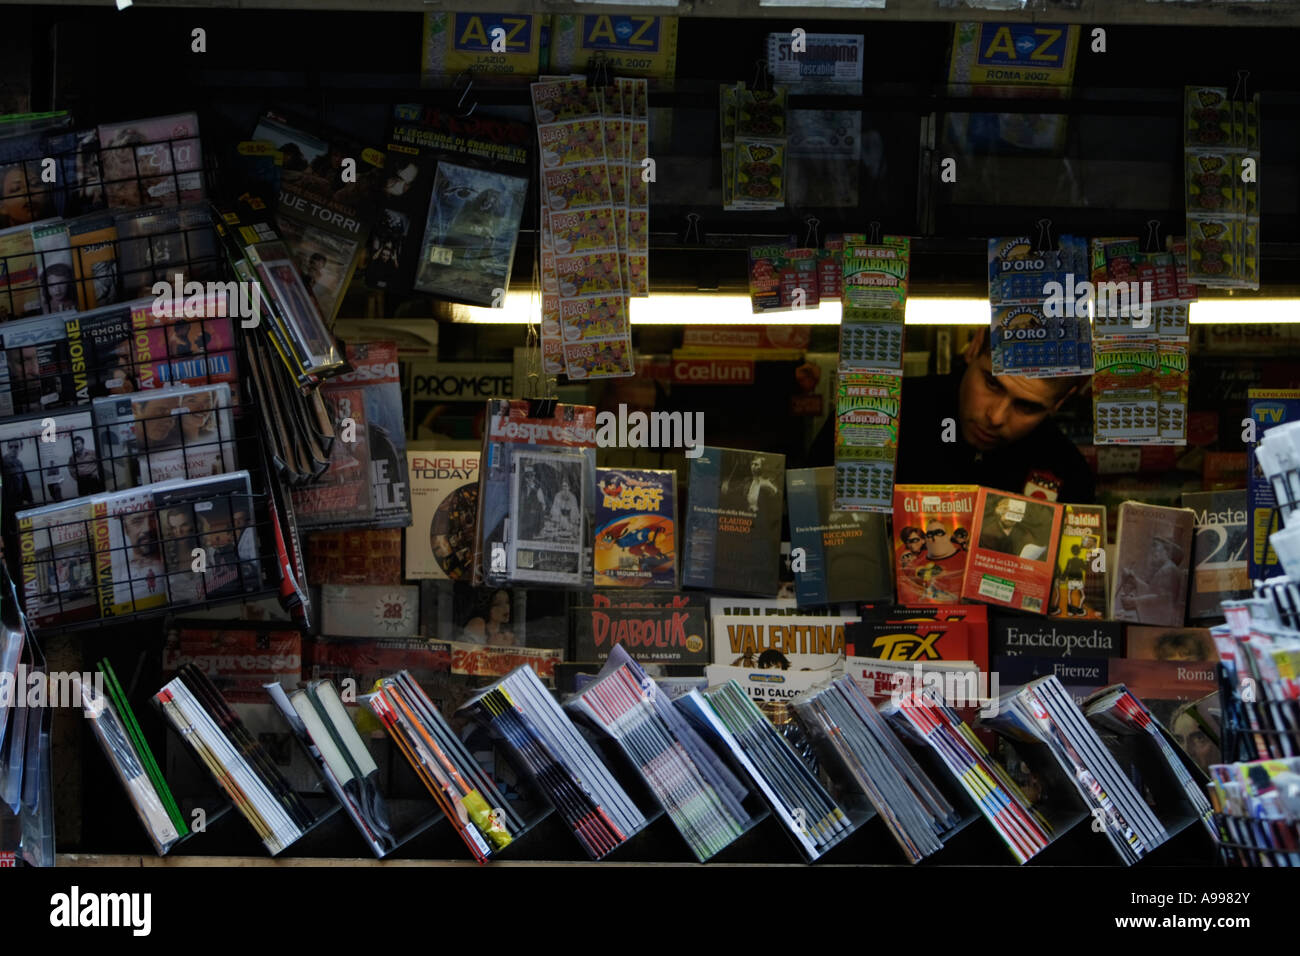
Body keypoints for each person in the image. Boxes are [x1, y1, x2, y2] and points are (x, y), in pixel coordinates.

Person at [807, 326, 1094, 503]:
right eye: (992, 383)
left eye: (1027, 407)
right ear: (975, 345)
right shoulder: (878, 415)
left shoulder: (1065, 469)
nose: (995, 416)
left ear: (1061, 402)